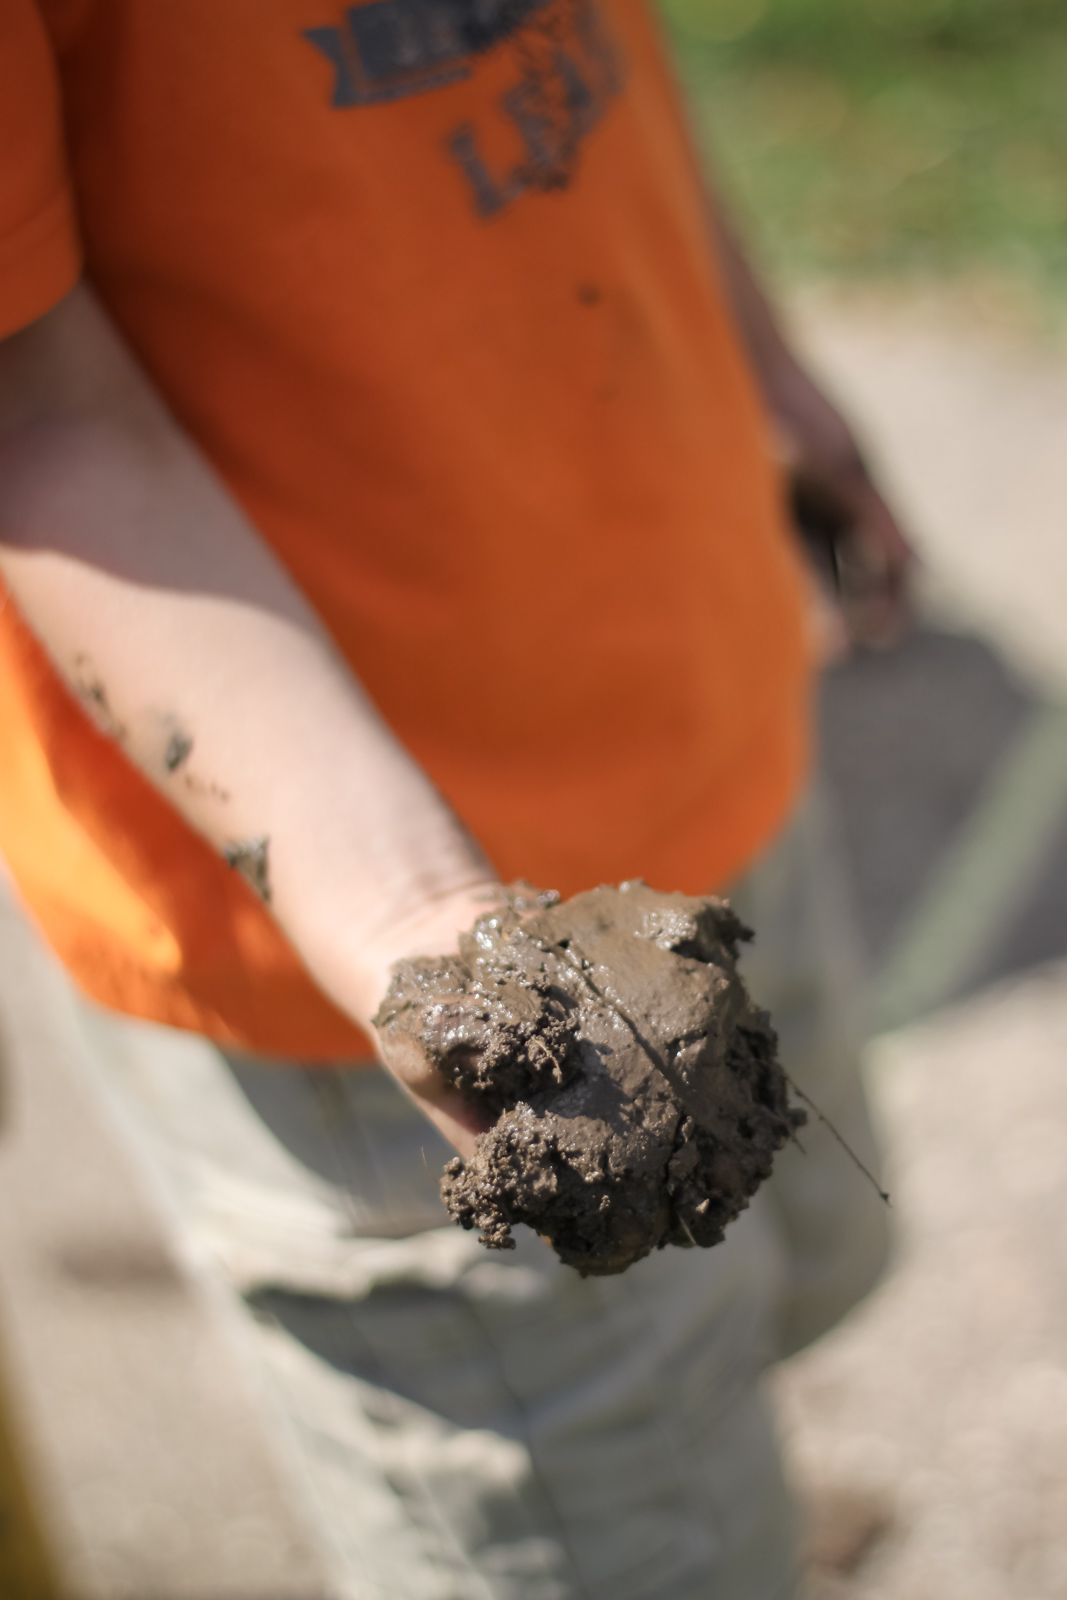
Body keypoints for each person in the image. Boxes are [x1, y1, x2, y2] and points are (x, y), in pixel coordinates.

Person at [0, 0, 909, 1594]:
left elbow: (603, 68)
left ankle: (722, 1504)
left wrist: (763, 358)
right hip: (346, 935)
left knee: (800, 1270)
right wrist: (429, 927)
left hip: (693, 700)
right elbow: (38, 412)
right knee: (584, 1509)